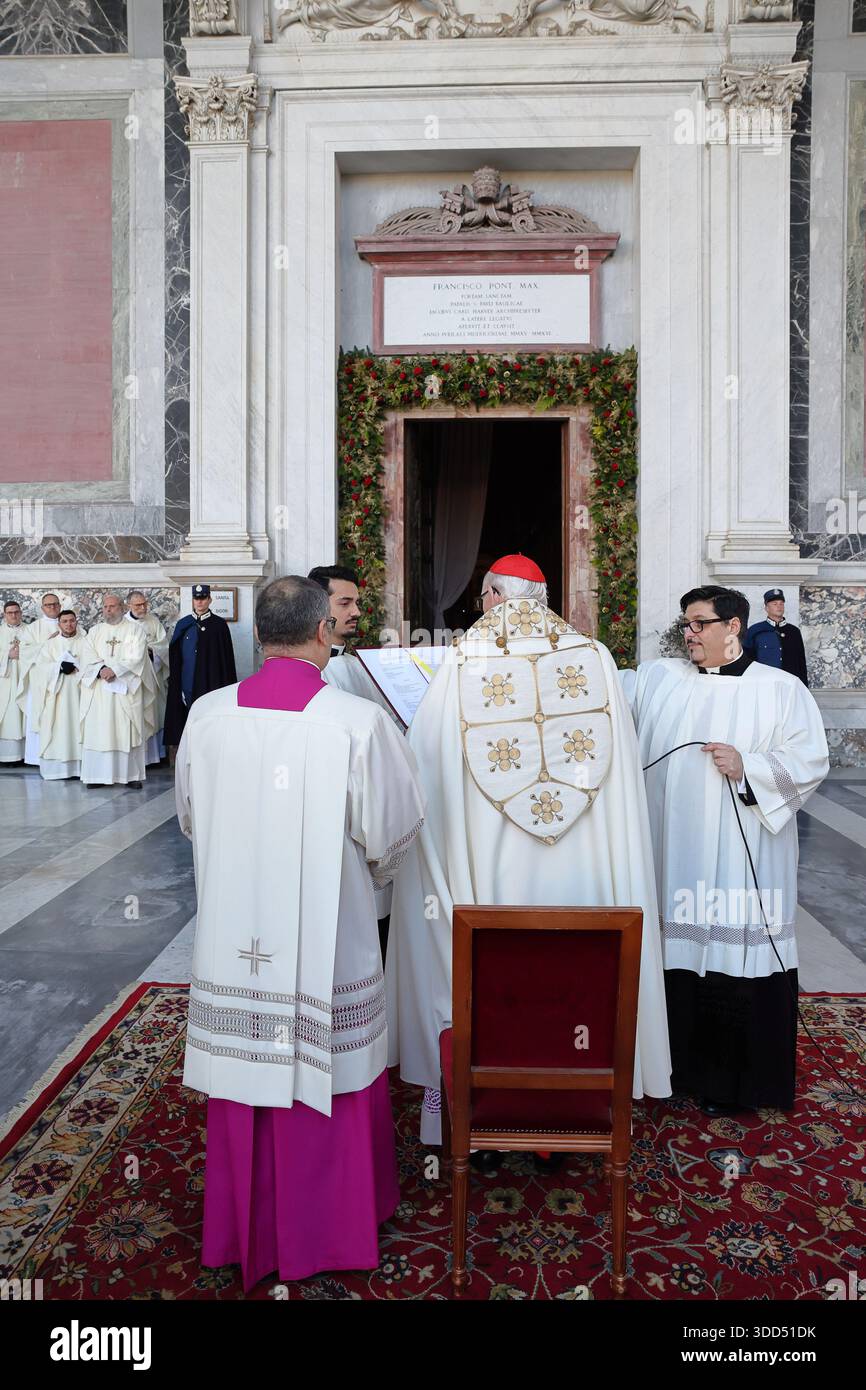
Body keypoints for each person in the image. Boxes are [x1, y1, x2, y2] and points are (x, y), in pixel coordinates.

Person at [176, 575, 424, 1291]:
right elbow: (392, 835)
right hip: (331, 937)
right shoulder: (356, 722)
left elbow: (191, 816)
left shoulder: (210, 716)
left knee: (245, 1058)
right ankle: (332, 1225)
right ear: (324, 633)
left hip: (231, 937)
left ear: (258, 636)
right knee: (332, 1063)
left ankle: (238, 1227)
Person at [386, 552, 672, 1148]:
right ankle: (563, 1119)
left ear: (494, 596)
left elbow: (423, 773)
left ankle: (475, 1121)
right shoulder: (593, 658)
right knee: (569, 988)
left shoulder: (462, 660)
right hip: (581, 879)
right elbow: (620, 778)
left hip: (481, 877)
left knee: (487, 984)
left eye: (485, 597)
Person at [622, 584, 828, 1114]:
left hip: (745, 859)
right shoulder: (657, 680)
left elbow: (810, 760)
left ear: (733, 627)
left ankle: (734, 1085)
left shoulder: (781, 690)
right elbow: (598, 692)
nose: (688, 634)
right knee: (677, 958)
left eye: (699, 624)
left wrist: (750, 768)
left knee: (734, 964)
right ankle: (671, 1071)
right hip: (675, 853)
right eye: (686, 624)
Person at [310, 563, 400, 957]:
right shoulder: (316, 671)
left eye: (357, 602)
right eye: (344, 602)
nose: (356, 611)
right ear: (318, 608)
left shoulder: (358, 663)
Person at [80, 594, 152, 788]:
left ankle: (130, 776)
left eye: (112, 606)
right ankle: (97, 777)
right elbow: (87, 655)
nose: (108, 610)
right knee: (99, 730)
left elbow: (136, 657)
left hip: (125, 690)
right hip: (100, 691)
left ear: (122, 607)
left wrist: (115, 670)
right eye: (105, 607)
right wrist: (101, 670)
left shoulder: (135, 631)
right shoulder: (95, 631)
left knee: (126, 731)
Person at [163, 583, 236, 750]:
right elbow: (175, 657)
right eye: (197, 599)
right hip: (187, 681)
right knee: (187, 718)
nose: (200, 602)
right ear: (193, 600)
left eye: (203, 598)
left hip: (211, 683)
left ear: (209, 600)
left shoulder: (219, 625)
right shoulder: (184, 624)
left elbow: (226, 660)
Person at [34, 611, 94, 781]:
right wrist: (58, 667)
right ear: (59, 624)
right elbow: (40, 669)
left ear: (77, 622)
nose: (69, 624)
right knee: (59, 728)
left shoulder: (87, 642)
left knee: (81, 728)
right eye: (65, 621)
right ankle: (58, 770)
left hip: (82, 694)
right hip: (57, 697)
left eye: (72, 621)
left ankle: (83, 768)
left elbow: (94, 663)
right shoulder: (50, 645)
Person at [126, 591, 170, 764]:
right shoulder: (123, 624)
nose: (142, 607)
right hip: (133, 678)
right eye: (138, 605)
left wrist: (152, 651)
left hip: (152, 674)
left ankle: (153, 756)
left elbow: (163, 645)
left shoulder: (153, 621)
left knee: (154, 712)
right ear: (128, 605)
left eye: (144, 603)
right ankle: (136, 758)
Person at [20, 593, 61, 764]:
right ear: (42, 608)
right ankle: (38, 758)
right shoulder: (33, 628)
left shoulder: (70, 623)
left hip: (66, 681)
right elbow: (25, 652)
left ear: (60, 606)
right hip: (41, 682)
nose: (52, 607)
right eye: (48, 605)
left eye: (55, 604)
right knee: (42, 716)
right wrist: (47, 642)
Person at [744, 588, 809, 686]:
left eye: (781, 604)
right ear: (766, 608)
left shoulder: (794, 631)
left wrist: (804, 688)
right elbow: (747, 661)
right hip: (765, 685)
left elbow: (801, 663)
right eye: (774, 604)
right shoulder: (755, 630)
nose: (779, 606)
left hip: (790, 685)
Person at [0, 600, 32, 763]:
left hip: (26, 680)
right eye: (10, 612)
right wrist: (7, 655)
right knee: (8, 716)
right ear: (4, 615)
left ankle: (26, 755)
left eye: (16, 612)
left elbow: (39, 650)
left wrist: (24, 654)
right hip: (5, 682)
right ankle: (7, 756)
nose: (13, 615)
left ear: (21, 613)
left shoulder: (30, 631)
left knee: (25, 714)